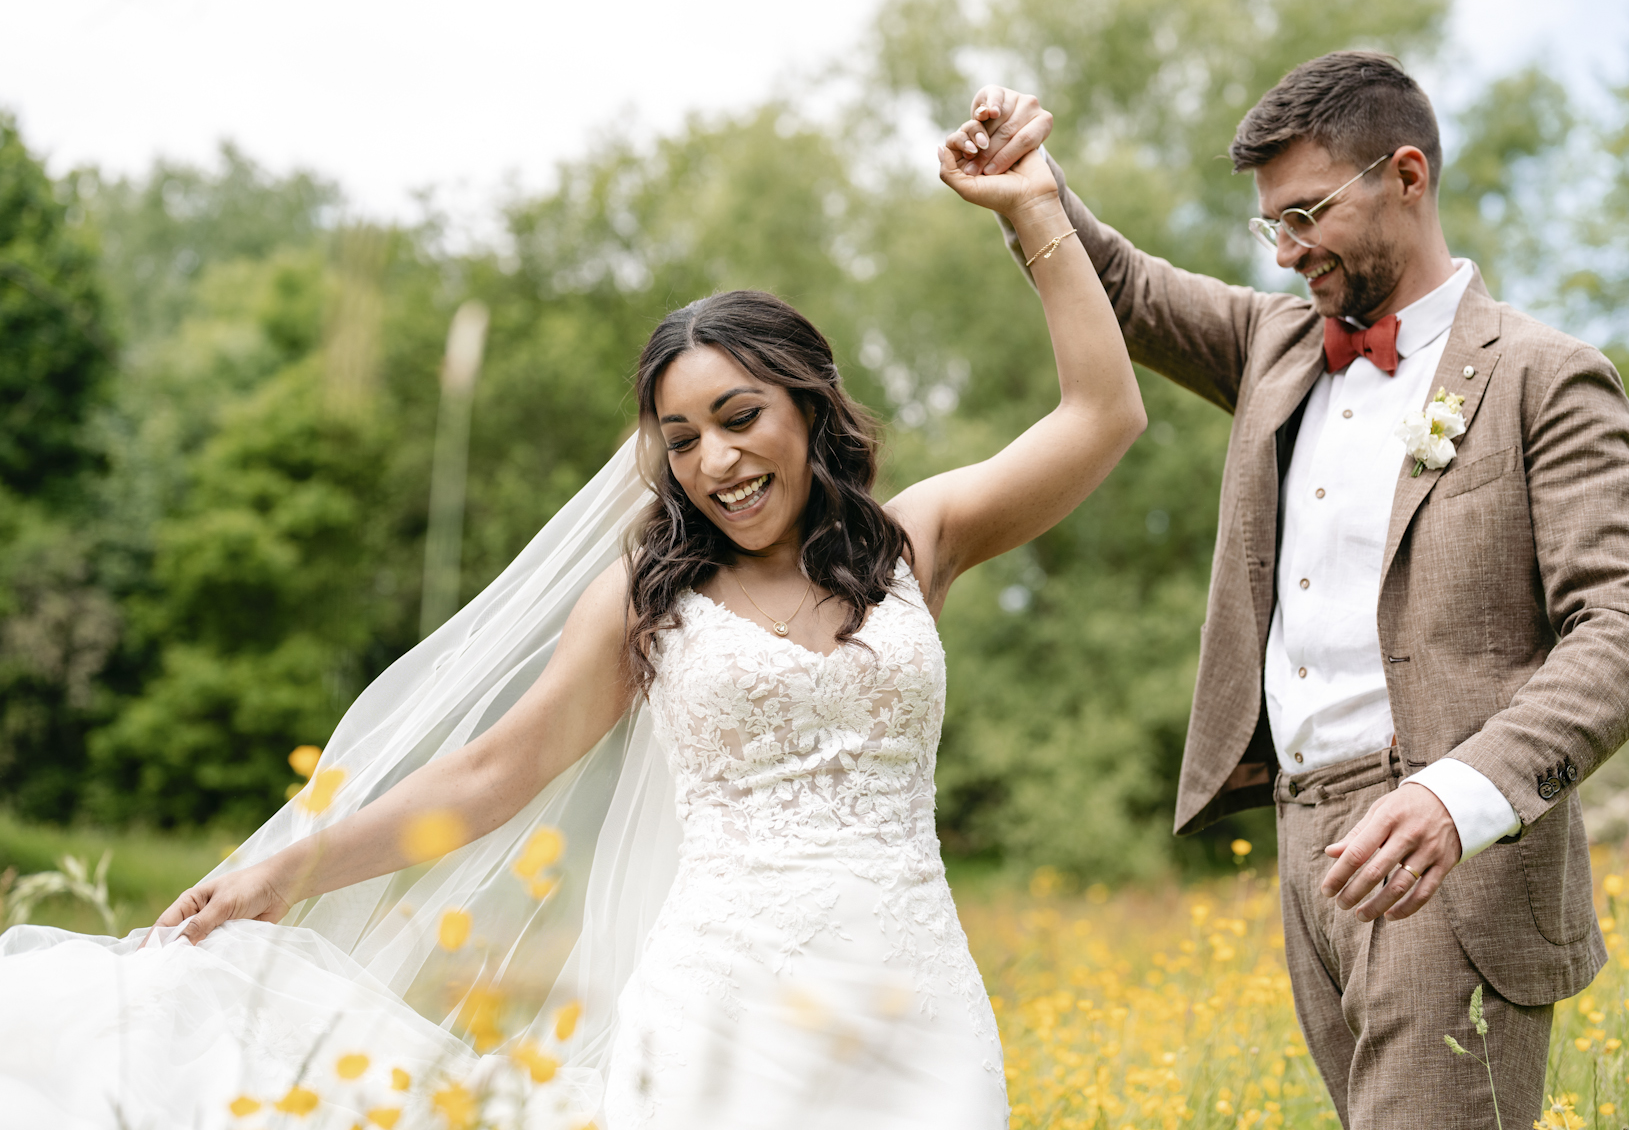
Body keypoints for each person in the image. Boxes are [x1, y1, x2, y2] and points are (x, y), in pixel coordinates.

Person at [0, 139, 1145, 1129]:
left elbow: (1105, 411)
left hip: (917, 997)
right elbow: (498, 770)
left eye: (742, 417)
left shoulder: (916, 541)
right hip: (721, 1005)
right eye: (682, 436)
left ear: (809, 402)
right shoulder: (649, 594)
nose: (716, 462)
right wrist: (288, 867)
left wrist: (1032, 205)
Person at [940, 53, 1629, 1128]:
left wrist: (1455, 796)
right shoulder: (1275, 347)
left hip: (1452, 853)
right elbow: (1129, 287)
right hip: (1307, 849)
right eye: (1269, 228)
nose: (1287, 251)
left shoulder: (1546, 375)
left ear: (1409, 174)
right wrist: (1030, 186)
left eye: (1306, 214)